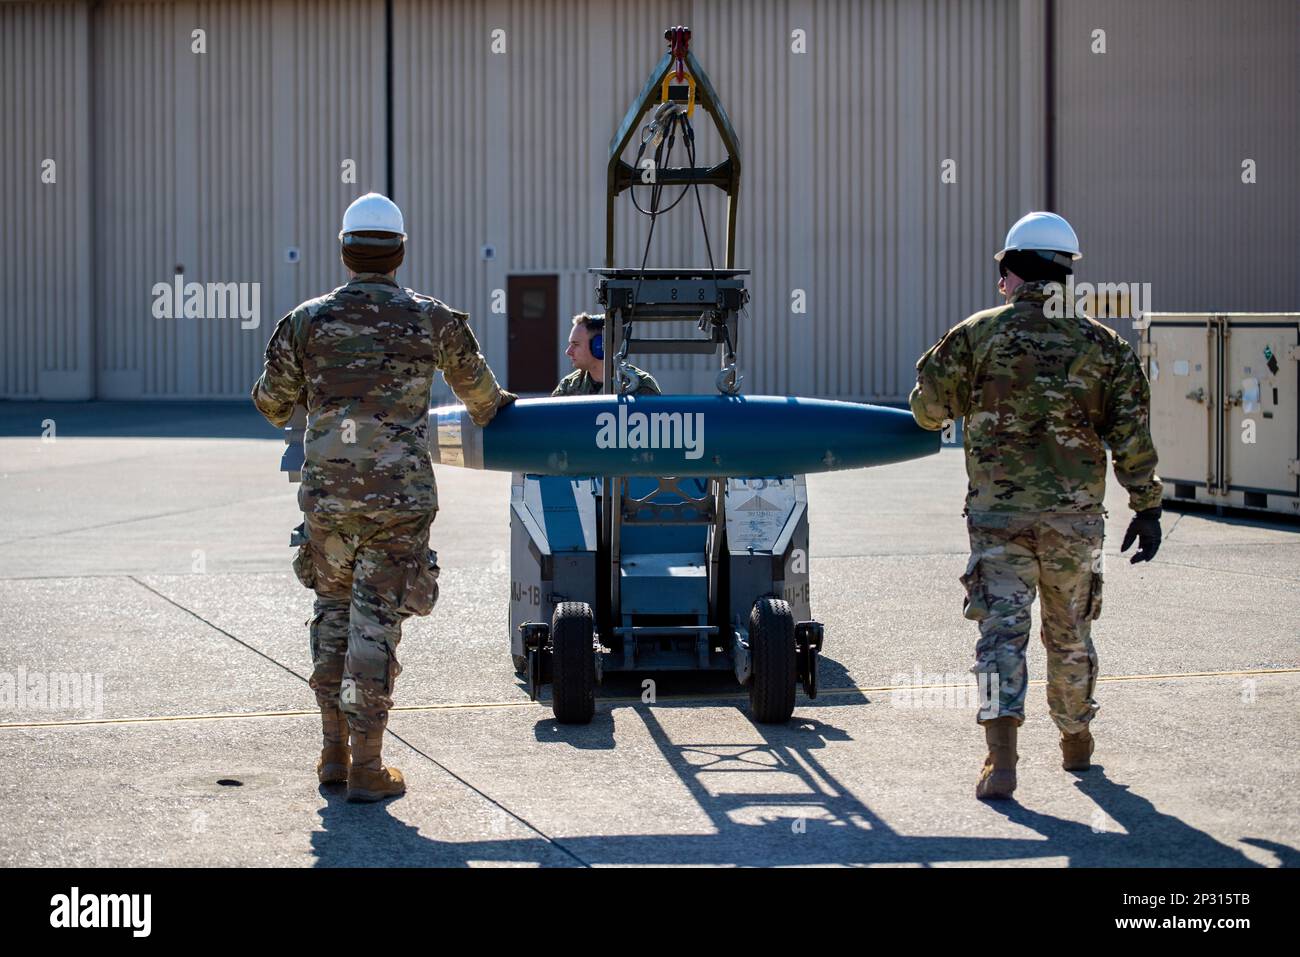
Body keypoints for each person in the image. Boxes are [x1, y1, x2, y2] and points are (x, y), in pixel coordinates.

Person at [252, 192, 515, 802]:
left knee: (333, 616)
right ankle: (367, 768)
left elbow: (270, 405)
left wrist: (321, 395)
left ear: (345, 251)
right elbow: (482, 400)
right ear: (399, 252)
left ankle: (331, 757)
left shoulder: (306, 321)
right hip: (397, 503)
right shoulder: (434, 320)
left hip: (329, 500)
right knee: (375, 628)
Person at [909, 211, 1162, 801]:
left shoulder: (976, 334)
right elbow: (1132, 435)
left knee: (1001, 635)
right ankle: (1077, 743)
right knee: (1071, 634)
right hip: (1074, 521)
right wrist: (1147, 506)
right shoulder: (1104, 345)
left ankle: (1001, 765)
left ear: (1011, 271)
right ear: (1068, 273)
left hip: (998, 517)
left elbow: (927, 411)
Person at [553, 312, 661, 396]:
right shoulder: (569, 386)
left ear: (598, 345)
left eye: (575, 344)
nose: (568, 352)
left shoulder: (640, 386)